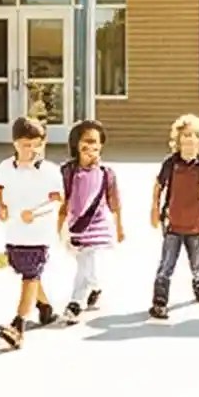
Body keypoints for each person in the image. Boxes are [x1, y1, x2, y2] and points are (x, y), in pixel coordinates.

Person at [0, 116, 63, 350]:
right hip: (14, 232)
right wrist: (2, 206)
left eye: (36, 144)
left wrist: (36, 213)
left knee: (30, 275)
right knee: (26, 271)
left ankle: (18, 324)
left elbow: (57, 201)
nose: (31, 150)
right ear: (15, 144)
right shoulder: (4, 167)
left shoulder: (50, 171)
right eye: (26, 145)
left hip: (38, 234)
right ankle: (45, 307)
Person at [148, 114, 199, 319]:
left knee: (197, 261)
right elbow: (159, 185)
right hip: (173, 223)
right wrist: (154, 208)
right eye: (186, 135)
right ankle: (159, 301)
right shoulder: (171, 163)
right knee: (167, 263)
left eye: (194, 135)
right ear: (178, 139)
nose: (190, 139)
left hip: (195, 224)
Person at [58, 119, 122, 325]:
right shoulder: (68, 172)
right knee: (87, 267)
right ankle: (95, 288)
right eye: (86, 143)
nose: (91, 148)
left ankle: (75, 304)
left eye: (96, 143)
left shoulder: (106, 173)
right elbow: (63, 200)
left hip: (98, 227)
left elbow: (115, 202)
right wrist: (60, 227)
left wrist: (119, 226)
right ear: (76, 145)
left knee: (86, 263)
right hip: (76, 227)